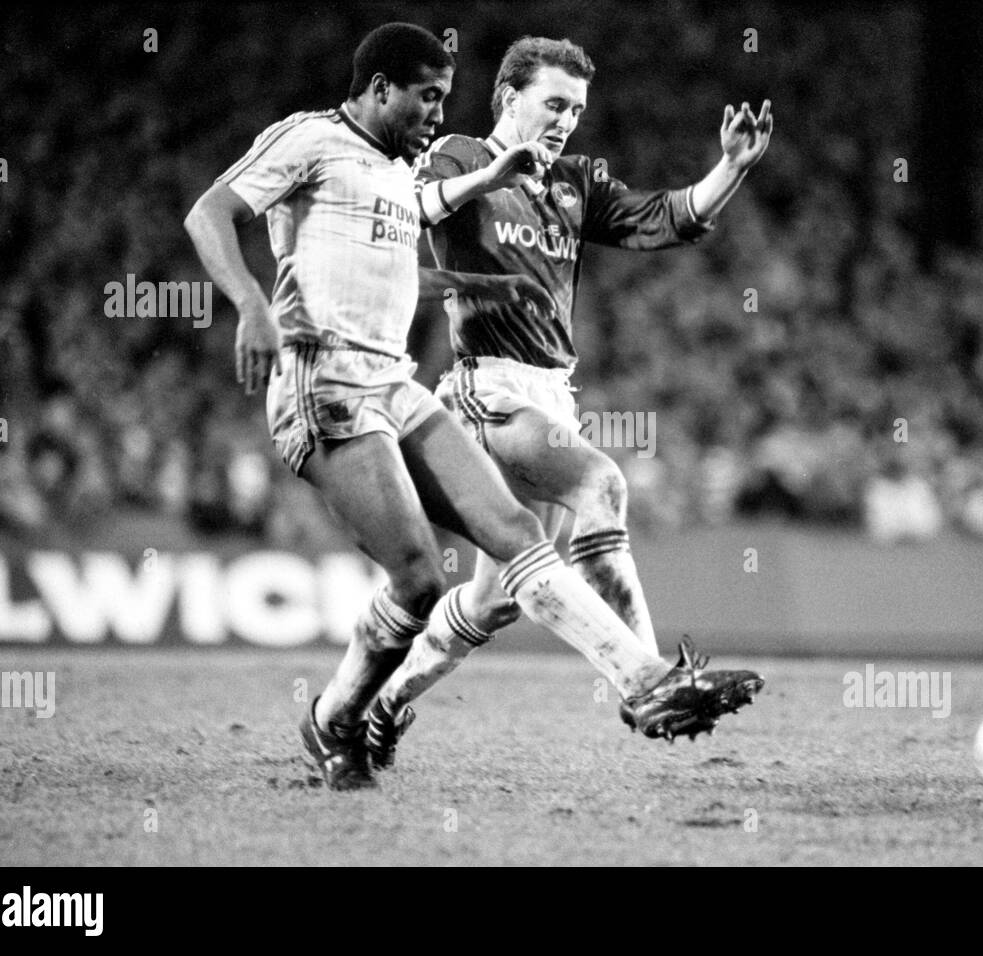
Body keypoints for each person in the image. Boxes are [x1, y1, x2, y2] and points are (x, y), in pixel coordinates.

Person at [183, 23, 763, 790]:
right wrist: (252, 308)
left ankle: (387, 708)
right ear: (384, 87)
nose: (434, 113)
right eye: (427, 97)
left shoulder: (419, 173)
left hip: (411, 385)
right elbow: (208, 213)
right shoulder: (334, 142)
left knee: (503, 565)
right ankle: (343, 719)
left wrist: (474, 284)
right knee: (473, 552)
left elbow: (391, 269)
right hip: (347, 384)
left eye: (443, 99)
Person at [368, 36, 772, 766]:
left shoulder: (573, 183)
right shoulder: (460, 155)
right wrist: (491, 174)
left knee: (494, 601)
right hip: (484, 388)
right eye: (553, 104)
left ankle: (381, 703)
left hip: (552, 396)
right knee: (602, 482)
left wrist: (730, 169)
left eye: (576, 110)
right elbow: (407, 215)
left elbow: (665, 218)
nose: (565, 121)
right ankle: (647, 679)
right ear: (509, 98)